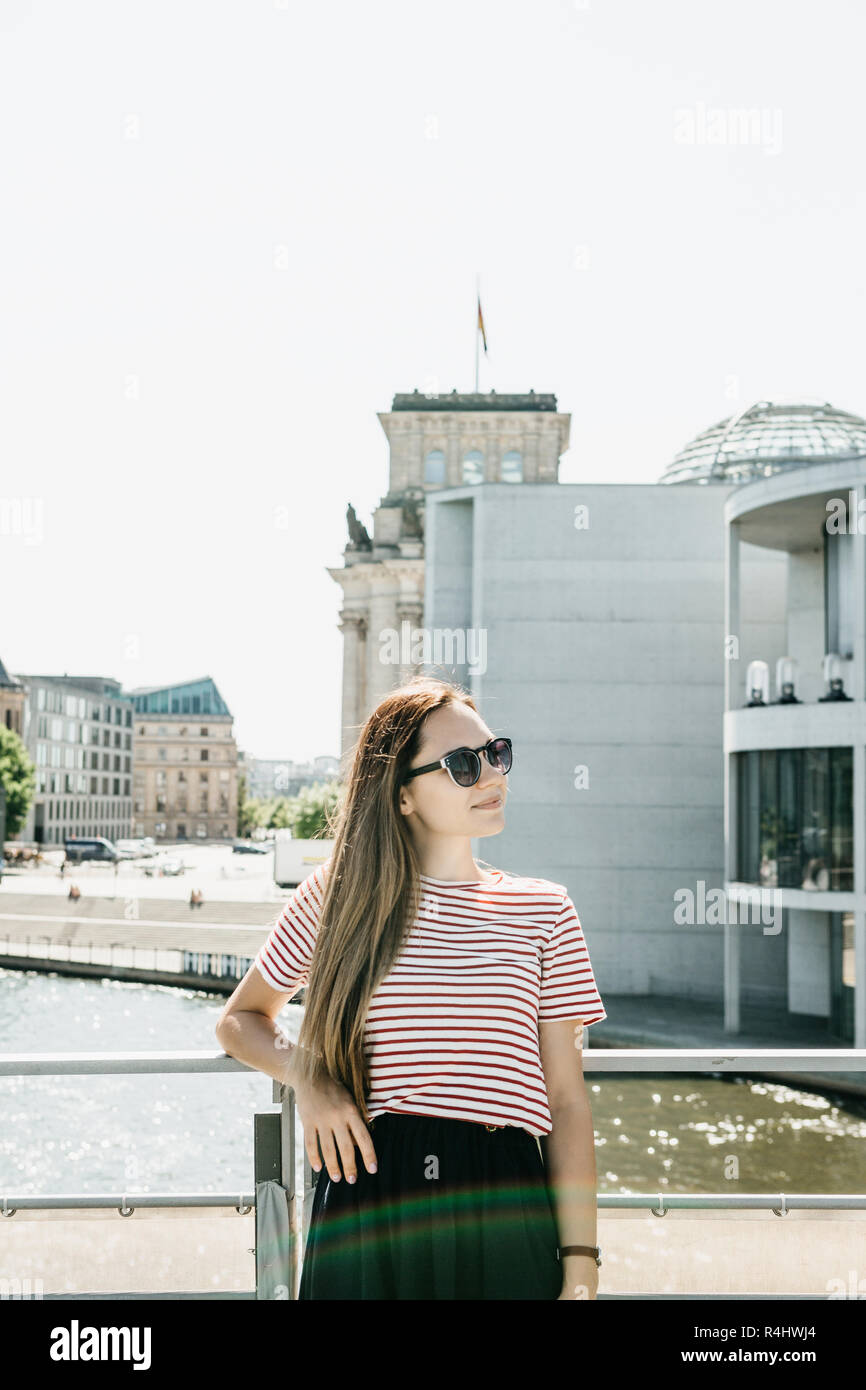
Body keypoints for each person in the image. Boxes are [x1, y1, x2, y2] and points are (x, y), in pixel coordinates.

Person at [215, 676, 607, 1300]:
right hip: (371, 1197)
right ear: (402, 798)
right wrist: (310, 1078)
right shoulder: (338, 898)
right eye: (461, 764)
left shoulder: (546, 911)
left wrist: (581, 1263)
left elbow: (565, 1100)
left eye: (496, 754)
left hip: (506, 1200)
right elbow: (240, 1021)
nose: (492, 776)